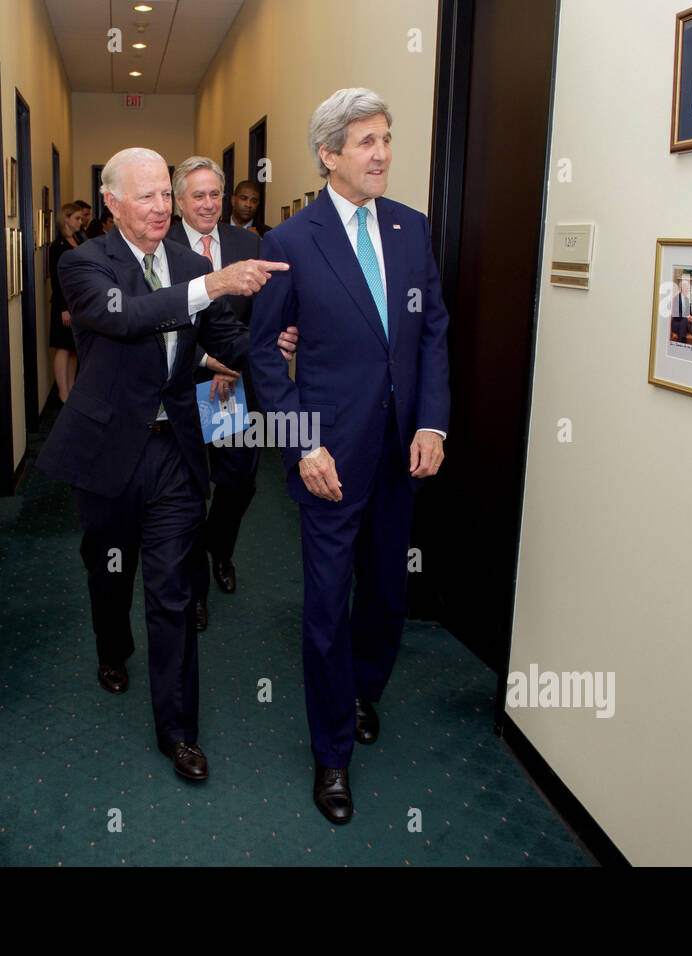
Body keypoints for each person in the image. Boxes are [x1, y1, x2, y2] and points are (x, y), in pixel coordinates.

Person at [34, 147, 293, 782]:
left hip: (175, 447)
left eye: (164, 196)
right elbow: (127, 319)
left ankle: (179, 731)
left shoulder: (183, 261)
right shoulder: (84, 263)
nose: (160, 207)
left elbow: (221, 337)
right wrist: (215, 284)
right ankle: (112, 646)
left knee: (174, 591)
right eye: (146, 196)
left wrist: (272, 347)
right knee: (109, 568)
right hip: (109, 451)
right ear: (113, 204)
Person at [249, 88, 450, 824]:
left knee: (388, 594)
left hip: (402, 453)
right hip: (327, 456)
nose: (383, 153)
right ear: (329, 154)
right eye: (366, 142)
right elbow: (266, 355)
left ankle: (364, 689)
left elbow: (432, 335)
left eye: (387, 138)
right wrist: (302, 443)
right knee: (328, 607)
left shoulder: (411, 229)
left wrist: (433, 423)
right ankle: (331, 752)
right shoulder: (291, 243)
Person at [172, 156, 263, 632]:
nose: (208, 204)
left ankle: (220, 551)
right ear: (179, 201)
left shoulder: (247, 243)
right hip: (185, 388)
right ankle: (194, 592)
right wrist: (210, 361)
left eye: (214, 195)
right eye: (197, 195)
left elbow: (261, 312)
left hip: (235, 391)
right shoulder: (161, 247)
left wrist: (240, 362)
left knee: (238, 483)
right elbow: (162, 323)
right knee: (187, 492)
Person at [47, 204, 87, 402]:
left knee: (73, 348)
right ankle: (62, 392)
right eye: (77, 218)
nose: (81, 222)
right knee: (63, 348)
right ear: (66, 219)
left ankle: (71, 388)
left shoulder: (78, 239)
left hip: (77, 301)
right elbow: (57, 279)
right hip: (65, 304)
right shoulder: (58, 246)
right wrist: (64, 308)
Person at [671, 278, 692, 342]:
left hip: (685, 324)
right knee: (684, 319)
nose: (688, 289)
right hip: (677, 323)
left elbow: (690, 312)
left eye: (688, 288)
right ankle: (682, 340)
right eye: (687, 288)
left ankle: (682, 339)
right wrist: (686, 317)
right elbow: (676, 314)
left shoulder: (687, 299)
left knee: (684, 320)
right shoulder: (676, 298)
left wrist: (690, 317)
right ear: (683, 288)